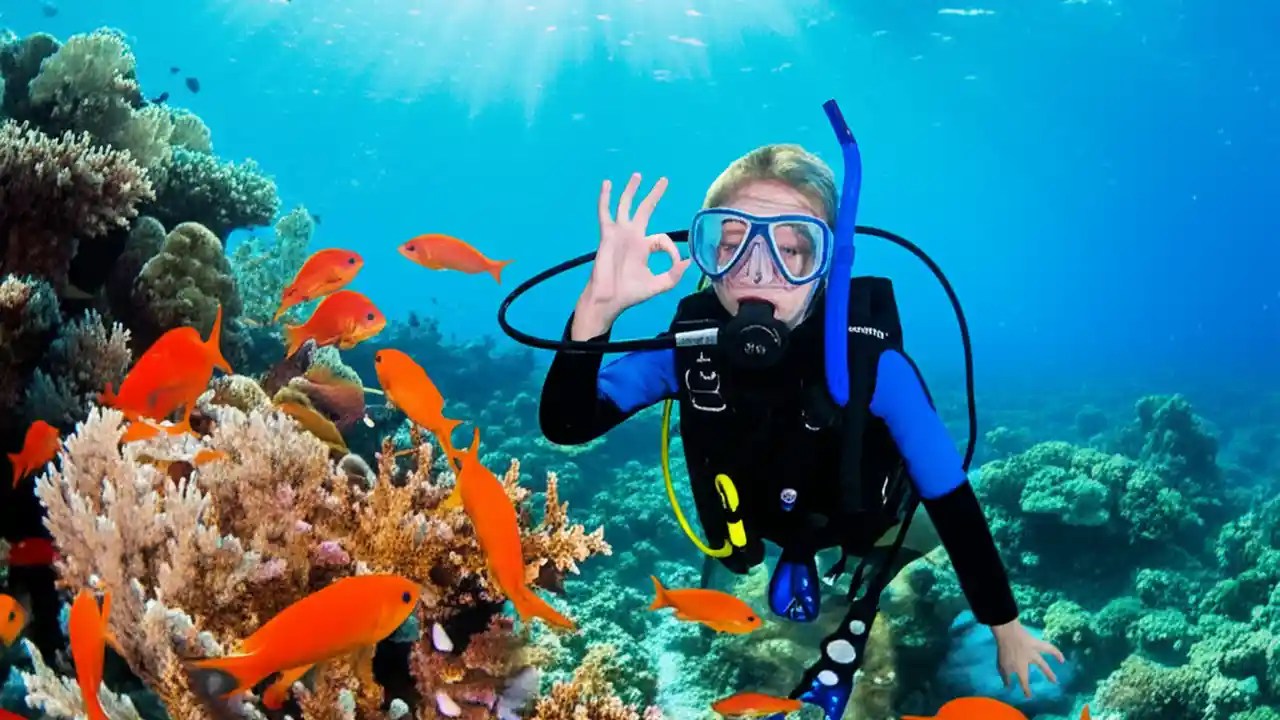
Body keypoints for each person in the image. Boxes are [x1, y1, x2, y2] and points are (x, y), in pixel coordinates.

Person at [536, 145, 1064, 719]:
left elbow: (952, 500)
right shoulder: (691, 350)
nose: (758, 270)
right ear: (707, 255)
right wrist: (596, 313)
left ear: (827, 264)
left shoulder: (871, 365)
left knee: (915, 534)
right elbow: (567, 424)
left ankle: (838, 573)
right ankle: (793, 556)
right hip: (751, 521)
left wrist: (1005, 627)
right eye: (731, 245)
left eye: (790, 250)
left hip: (857, 522)